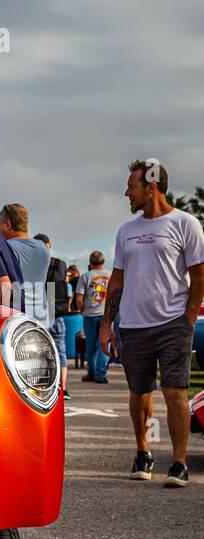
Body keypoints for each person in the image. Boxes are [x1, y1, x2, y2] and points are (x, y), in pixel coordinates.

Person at [100, 159, 204, 487]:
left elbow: (199, 276)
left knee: (175, 391)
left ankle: (178, 462)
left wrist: (188, 318)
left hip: (174, 322)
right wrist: (107, 324)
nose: (126, 193)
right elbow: (116, 281)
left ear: (152, 187)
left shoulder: (186, 224)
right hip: (133, 324)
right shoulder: (126, 232)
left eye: (132, 187)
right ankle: (144, 452)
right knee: (139, 392)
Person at [1, 205, 68, 397]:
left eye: (0, 221)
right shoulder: (42, 249)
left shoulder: (6, 248)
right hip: (41, 318)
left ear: (8, 224)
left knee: (18, 379)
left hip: (17, 319)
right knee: (39, 376)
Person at [74, 251, 112, 383]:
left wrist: (82, 310)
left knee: (90, 345)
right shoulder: (111, 275)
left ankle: (91, 372)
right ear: (104, 261)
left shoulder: (85, 276)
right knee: (105, 343)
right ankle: (100, 374)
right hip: (107, 315)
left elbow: (79, 297)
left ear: (90, 262)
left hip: (90, 315)